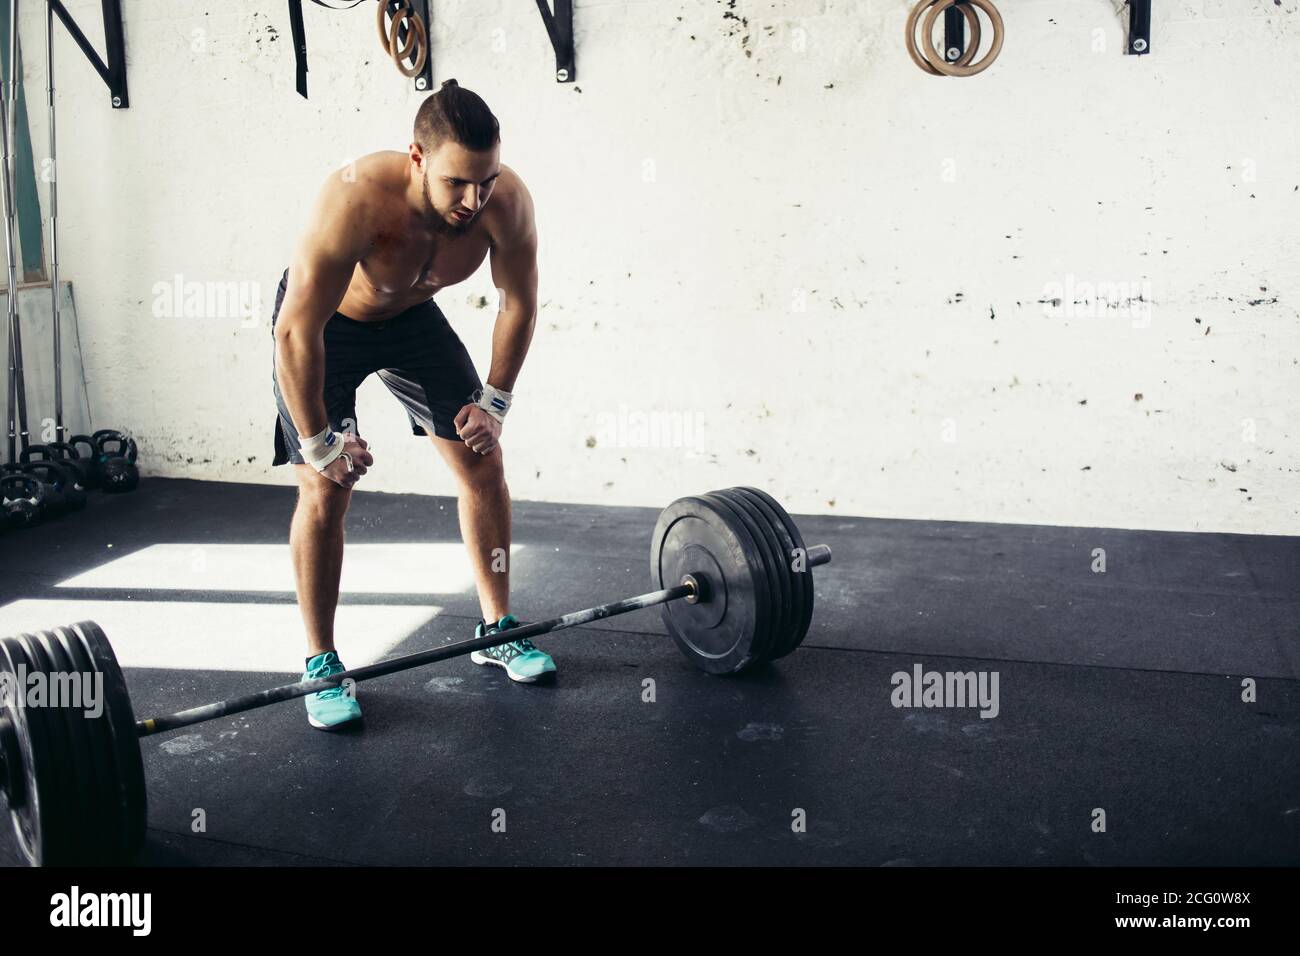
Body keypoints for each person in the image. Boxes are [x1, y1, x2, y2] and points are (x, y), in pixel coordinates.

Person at [269, 79, 551, 730]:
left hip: (413, 321)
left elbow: (519, 303)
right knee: (323, 488)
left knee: (483, 462)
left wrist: (494, 402)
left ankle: (497, 628)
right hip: (328, 328)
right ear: (418, 159)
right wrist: (321, 443)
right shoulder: (355, 198)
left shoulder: (504, 203)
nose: (473, 199)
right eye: (457, 182)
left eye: (486, 180)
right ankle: (321, 662)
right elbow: (295, 330)